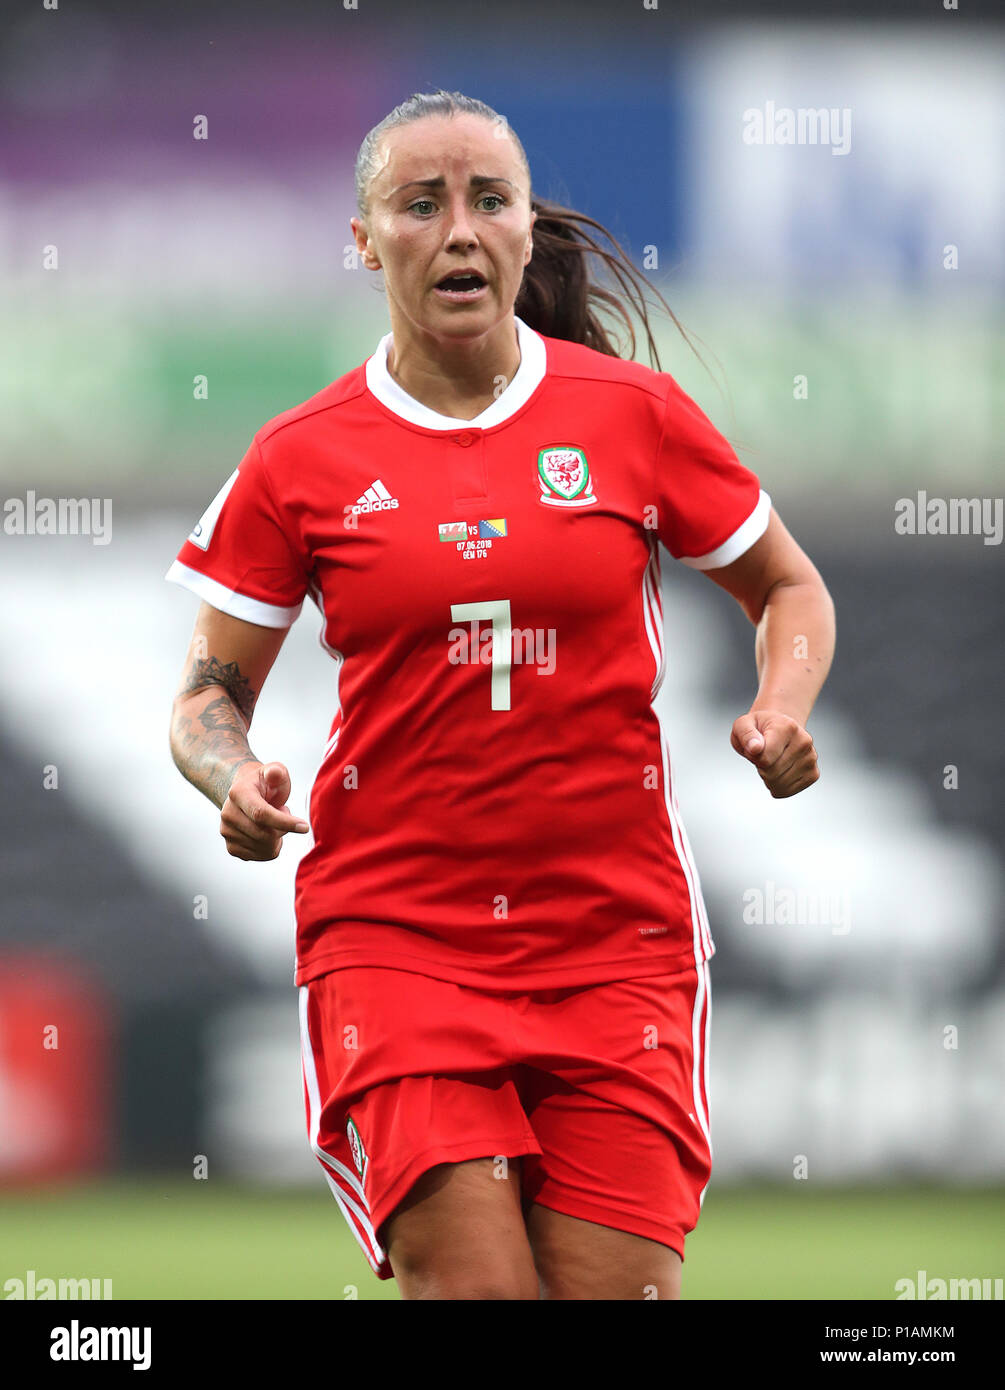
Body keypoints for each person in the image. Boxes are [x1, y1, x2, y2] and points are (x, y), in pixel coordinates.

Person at [166, 89, 835, 1300]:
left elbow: (788, 587)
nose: (459, 230)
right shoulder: (299, 456)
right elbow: (207, 698)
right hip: (397, 938)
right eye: (420, 204)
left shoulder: (631, 415)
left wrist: (782, 706)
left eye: (489, 200)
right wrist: (235, 776)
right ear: (365, 239)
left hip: (615, 940)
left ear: (528, 228)